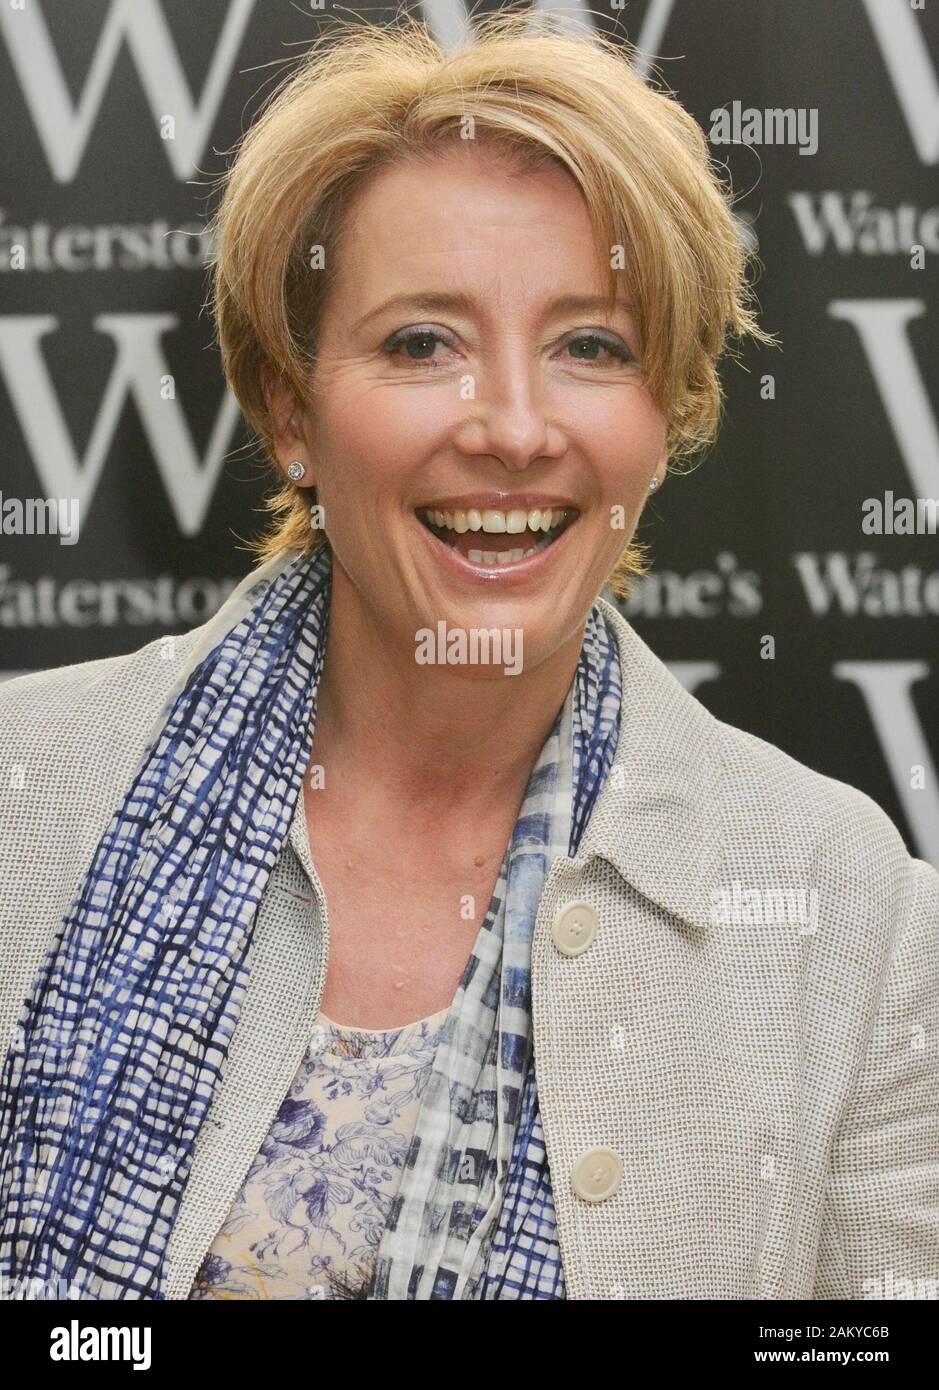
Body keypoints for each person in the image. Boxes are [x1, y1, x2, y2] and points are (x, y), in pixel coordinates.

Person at [0, 12, 936, 1302]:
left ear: (666, 416)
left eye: (591, 347)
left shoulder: (855, 915)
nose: (512, 427)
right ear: (291, 412)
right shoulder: (20, 800)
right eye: (420, 342)